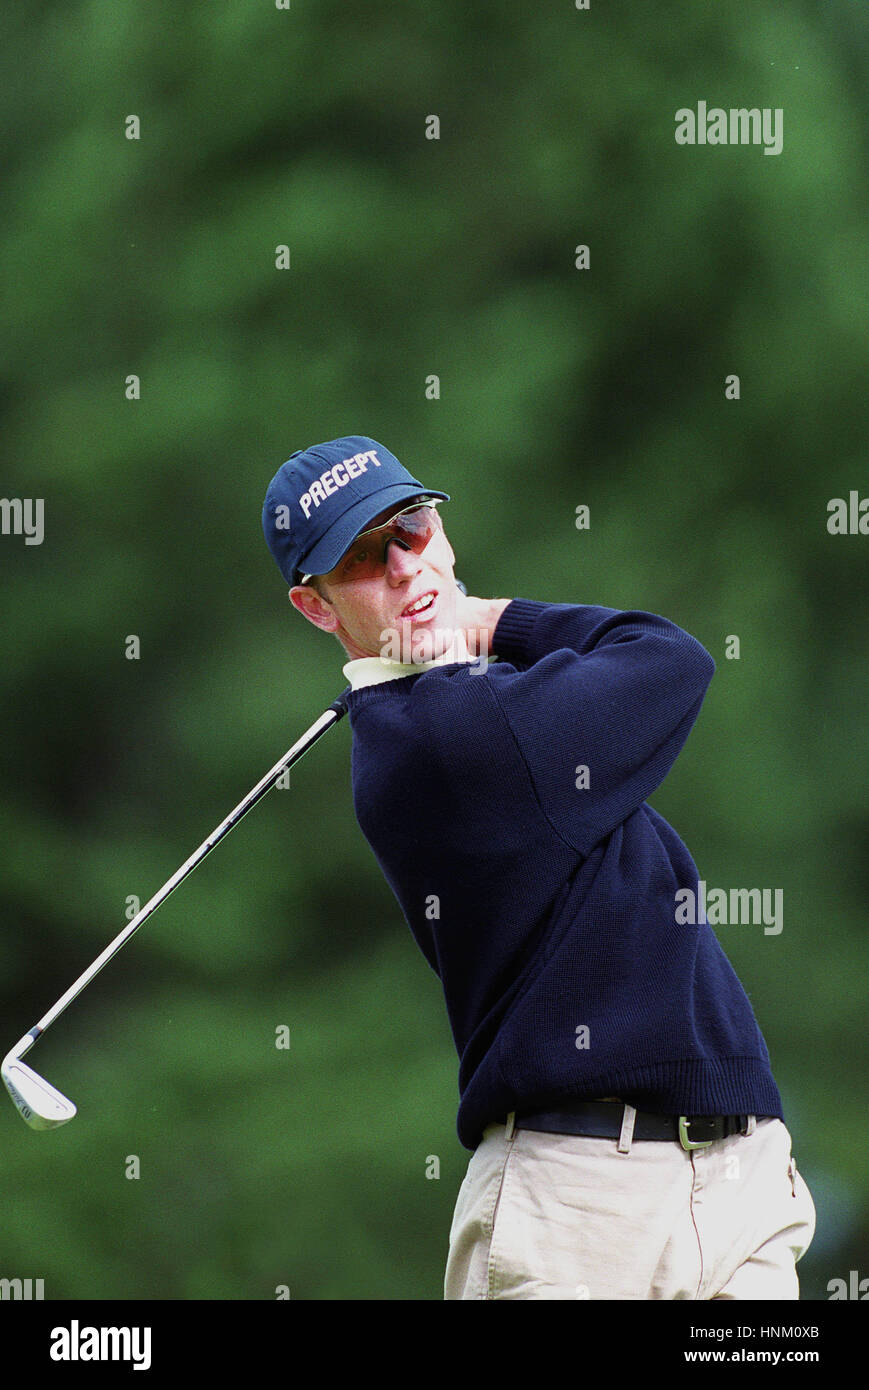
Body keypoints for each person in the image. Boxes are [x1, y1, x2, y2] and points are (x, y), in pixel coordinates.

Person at [262, 434, 816, 1300]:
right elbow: (668, 657)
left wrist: (473, 639)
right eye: (362, 558)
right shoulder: (446, 735)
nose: (403, 566)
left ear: (440, 529)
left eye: (410, 528)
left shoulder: (465, 701)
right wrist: (491, 618)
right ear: (316, 606)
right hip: (578, 1210)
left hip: (738, 1180)